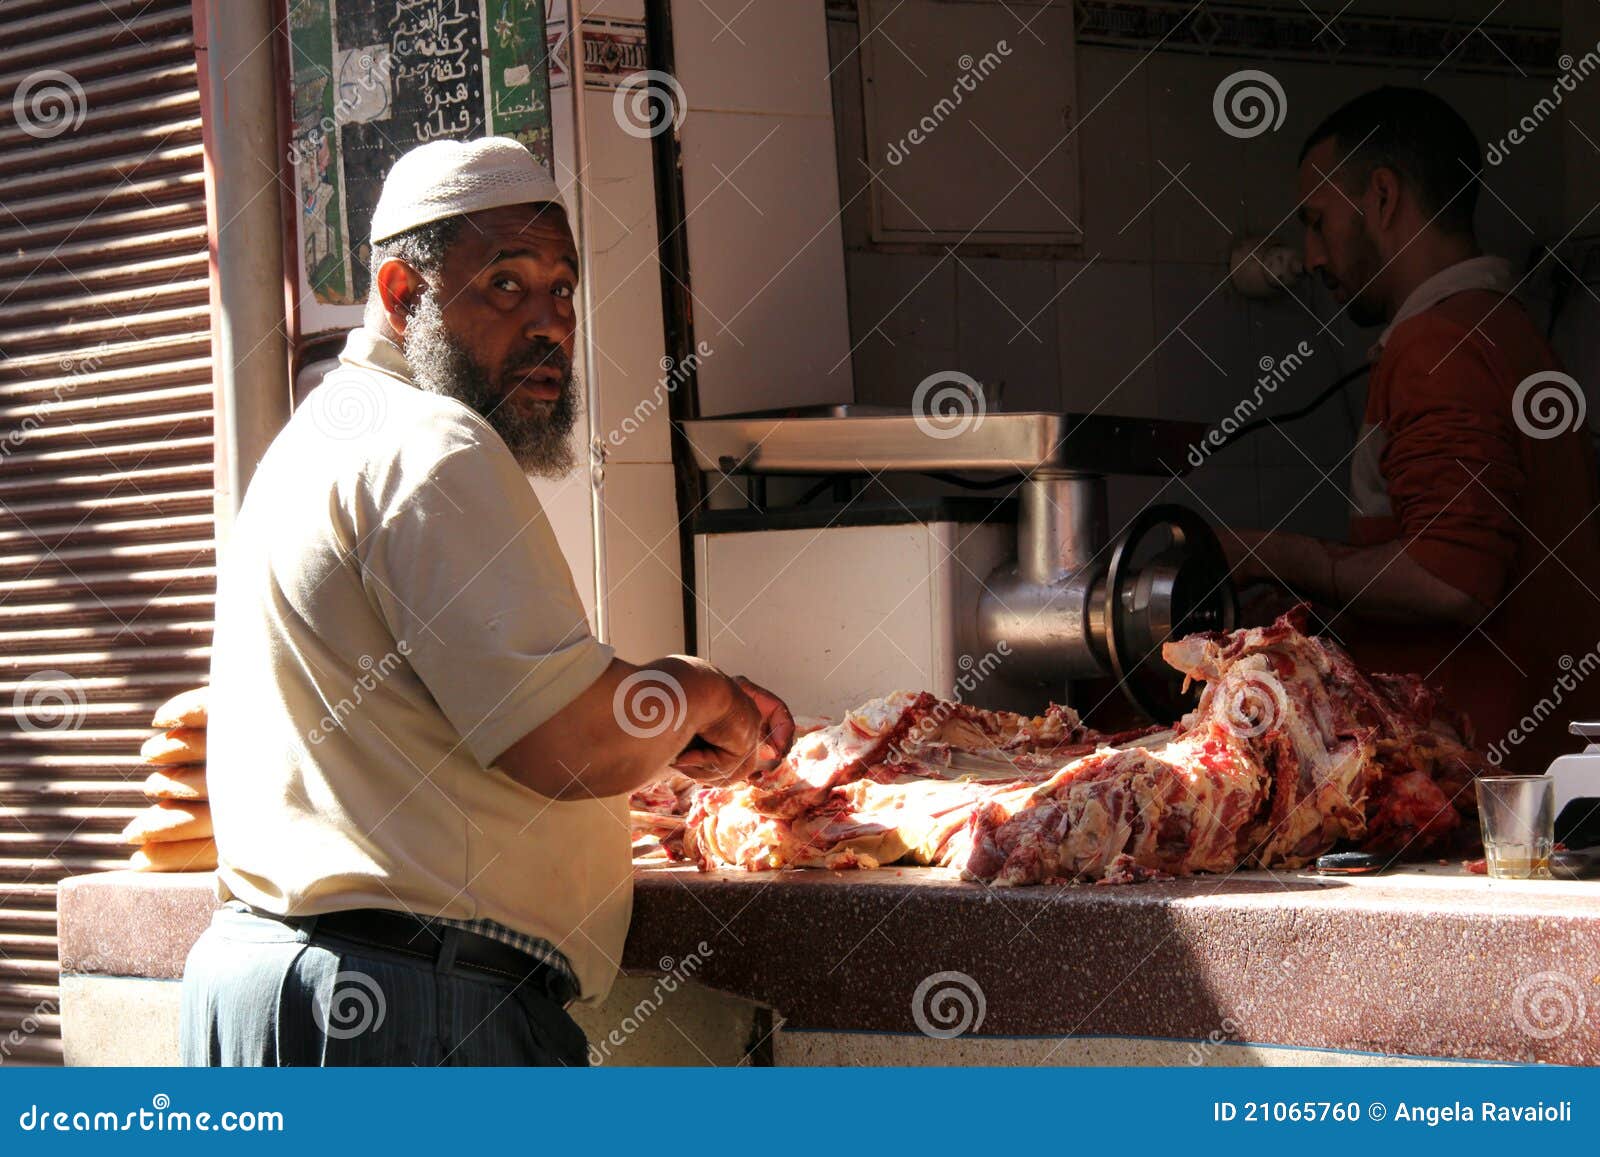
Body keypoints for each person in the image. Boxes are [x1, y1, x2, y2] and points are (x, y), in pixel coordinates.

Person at [180, 137, 794, 1066]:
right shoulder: (433, 443)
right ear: (403, 293)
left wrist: (654, 729)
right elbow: (564, 741)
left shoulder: (321, 436)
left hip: (278, 992)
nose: (549, 324)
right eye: (507, 284)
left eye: (563, 290)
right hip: (412, 1011)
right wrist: (701, 692)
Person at [1223, 87, 1600, 773]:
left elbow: (1451, 580)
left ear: (1382, 197)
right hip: (1542, 765)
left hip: (1484, 778)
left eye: (1318, 221)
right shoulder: (1504, 327)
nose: (1312, 255)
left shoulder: (1438, 345)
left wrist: (1265, 553)